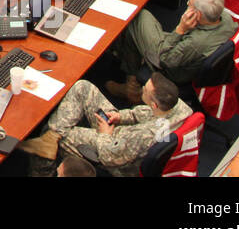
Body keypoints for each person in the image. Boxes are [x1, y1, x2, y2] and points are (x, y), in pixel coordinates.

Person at [19, 74, 192, 176]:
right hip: (121, 135)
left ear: (154, 104)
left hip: (115, 151)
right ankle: (52, 134)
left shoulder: (145, 136)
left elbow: (110, 157)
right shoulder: (175, 105)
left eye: (145, 91)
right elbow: (142, 113)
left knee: (59, 138)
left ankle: (43, 170)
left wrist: (105, 134)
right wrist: (120, 116)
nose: (141, 91)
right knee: (83, 88)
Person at [111, 0, 237, 97]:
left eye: (189, 4)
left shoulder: (194, 44)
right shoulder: (226, 19)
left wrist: (180, 29)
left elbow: (165, 60)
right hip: (188, 55)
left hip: (171, 68)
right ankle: (132, 79)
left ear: (197, 15)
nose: (187, 4)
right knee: (139, 31)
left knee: (139, 17)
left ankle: (131, 88)